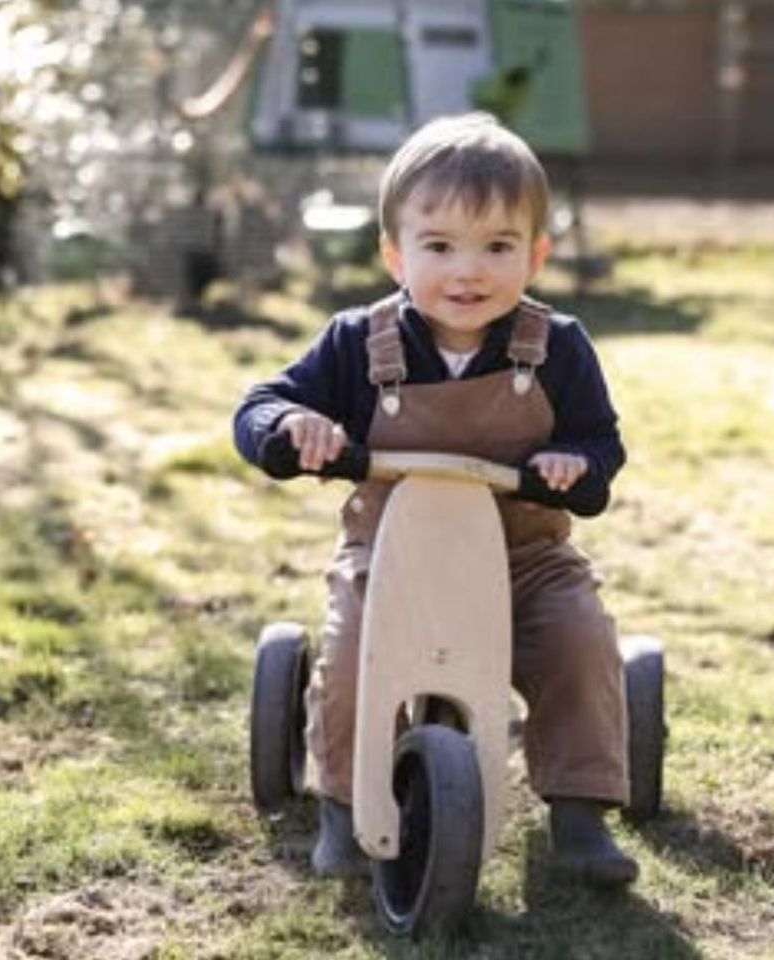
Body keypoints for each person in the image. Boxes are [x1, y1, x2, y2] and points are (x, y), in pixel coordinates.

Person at [233, 112, 636, 887]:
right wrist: (291, 427)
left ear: (537, 254)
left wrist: (574, 462)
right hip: (390, 558)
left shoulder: (558, 347)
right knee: (352, 655)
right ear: (395, 254)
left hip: (523, 559)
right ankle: (346, 809)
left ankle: (581, 813)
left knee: (580, 639)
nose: (468, 271)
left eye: (498, 247)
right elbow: (258, 407)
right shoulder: (358, 343)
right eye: (440, 247)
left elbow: (600, 448)